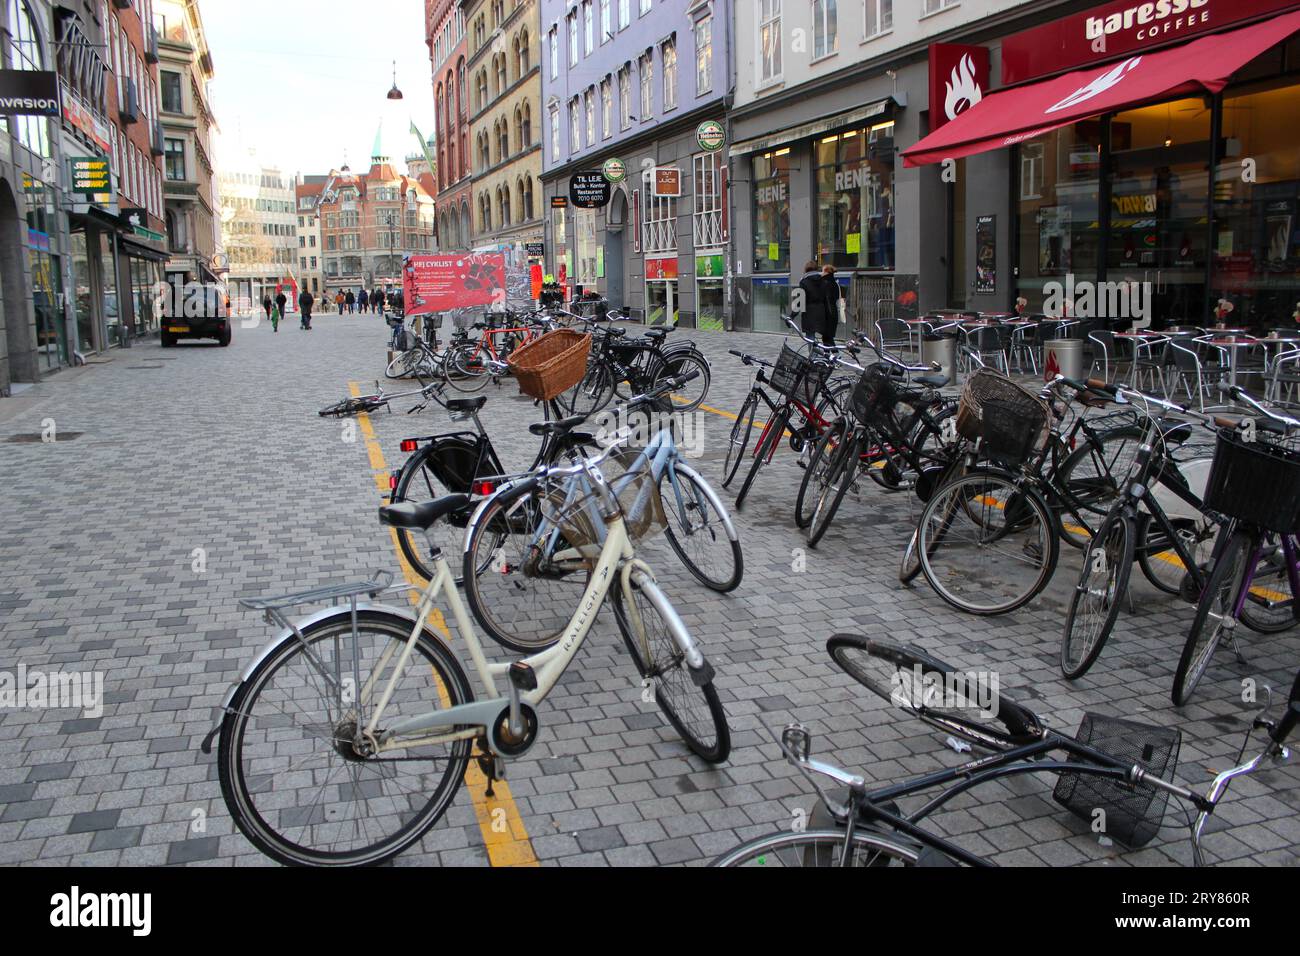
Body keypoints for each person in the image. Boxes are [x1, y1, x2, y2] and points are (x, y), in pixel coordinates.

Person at [797, 261, 832, 346]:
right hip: (821, 311)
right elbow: (827, 300)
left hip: (809, 313)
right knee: (825, 335)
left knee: (810, 336)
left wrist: (791, 315)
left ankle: (813, 356)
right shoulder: (824, 281)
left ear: (806, 270)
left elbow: (800, 301)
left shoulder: (803, 282)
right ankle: (830, 354)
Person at [821, 264, 843, 346]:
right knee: (827, 337)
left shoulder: (824, 283)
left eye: (822, 271)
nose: (821, 273)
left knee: (827, 337)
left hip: (827, 313)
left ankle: (836, 355)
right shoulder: (835, 283)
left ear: (826, 272)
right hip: (833, 312)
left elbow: (825, 298)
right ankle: (827, 355)